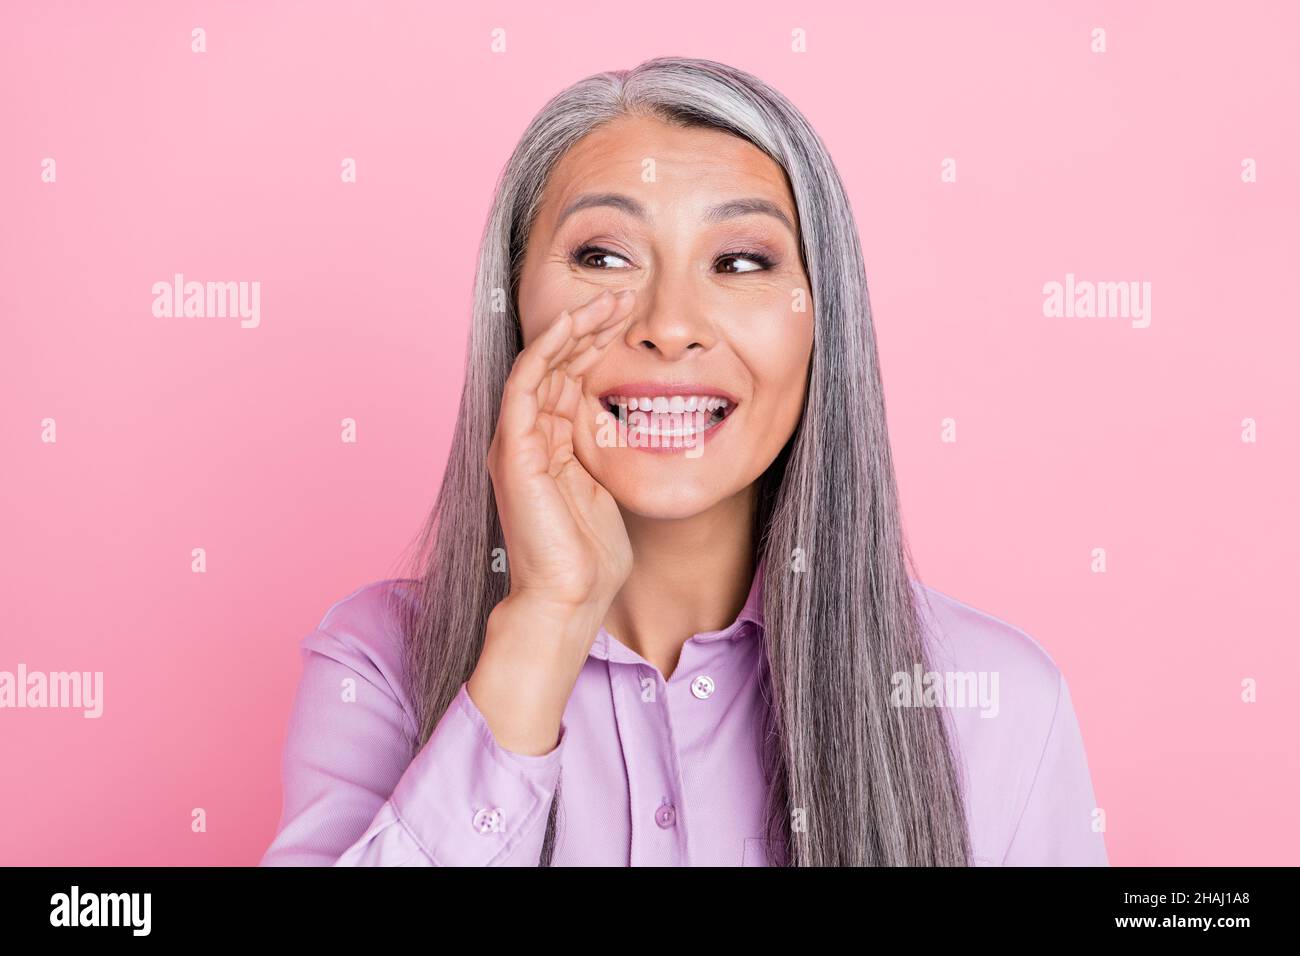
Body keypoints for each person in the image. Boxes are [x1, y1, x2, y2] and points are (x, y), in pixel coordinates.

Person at [261, 56, 1107, 867]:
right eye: (603, 256)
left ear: (821, 321)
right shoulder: (376, 667)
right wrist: (545, 624)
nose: (670, 323)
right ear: (513, 306)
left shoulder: (999, 704)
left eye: (740, 262)